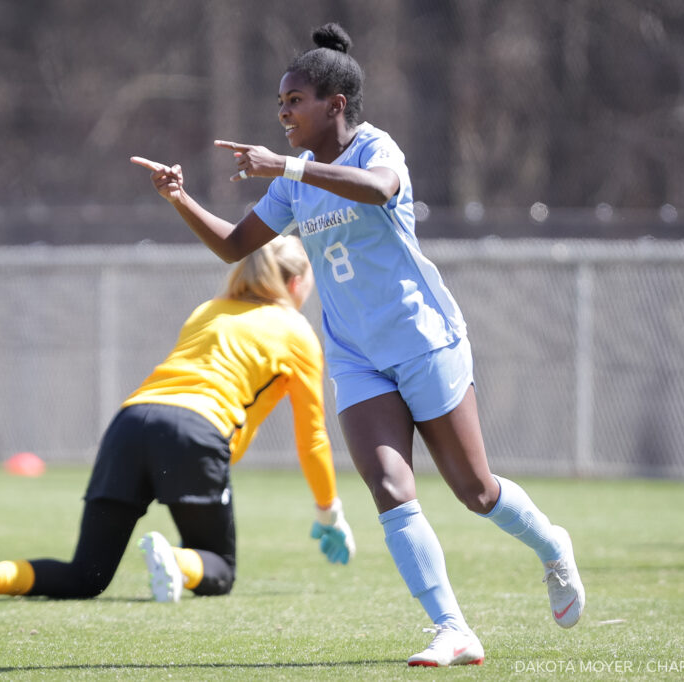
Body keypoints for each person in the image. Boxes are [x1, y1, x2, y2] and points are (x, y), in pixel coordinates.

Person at [130, 23, 584, 668]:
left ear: (334, 105)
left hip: (423, 339)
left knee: (475, 492)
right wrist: (179, 196)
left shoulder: (376, 148)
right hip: (357, 355)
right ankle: (452, 628)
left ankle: (552, 547)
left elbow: (378, 188)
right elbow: (235, 246)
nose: (283, 113)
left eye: (295, 101)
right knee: (391, 489)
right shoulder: (295, 181)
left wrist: (286, 163)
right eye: (281, 103)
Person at [0, 235, 356, 605]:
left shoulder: (210, 310)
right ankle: (176, 561)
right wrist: (329, 512)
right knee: (218, 568)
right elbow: (312, 436)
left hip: (130, 422)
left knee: (86, 574)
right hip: (195, 432)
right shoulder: (296, 331)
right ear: (296, 283)